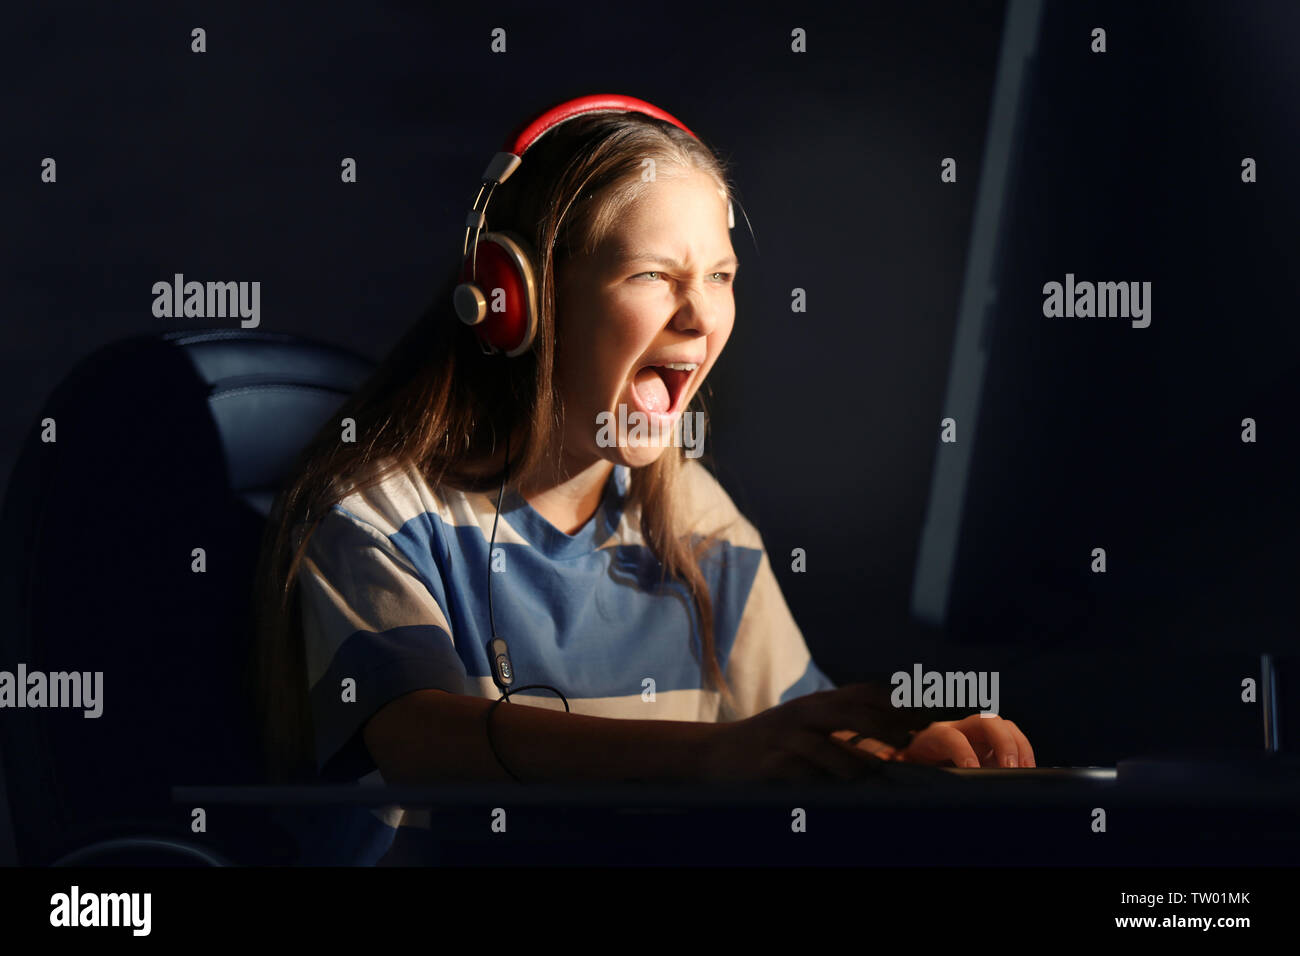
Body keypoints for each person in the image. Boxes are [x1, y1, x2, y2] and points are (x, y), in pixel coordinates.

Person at [250, 95, 1035, 865]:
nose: (700, 316)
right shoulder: (377, 515)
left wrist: (899, 757)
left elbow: (787, 740)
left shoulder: (695, 519)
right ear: (519, 299)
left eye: (721, 276)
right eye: (655, 274)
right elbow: (423, 740)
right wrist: (711, 758)